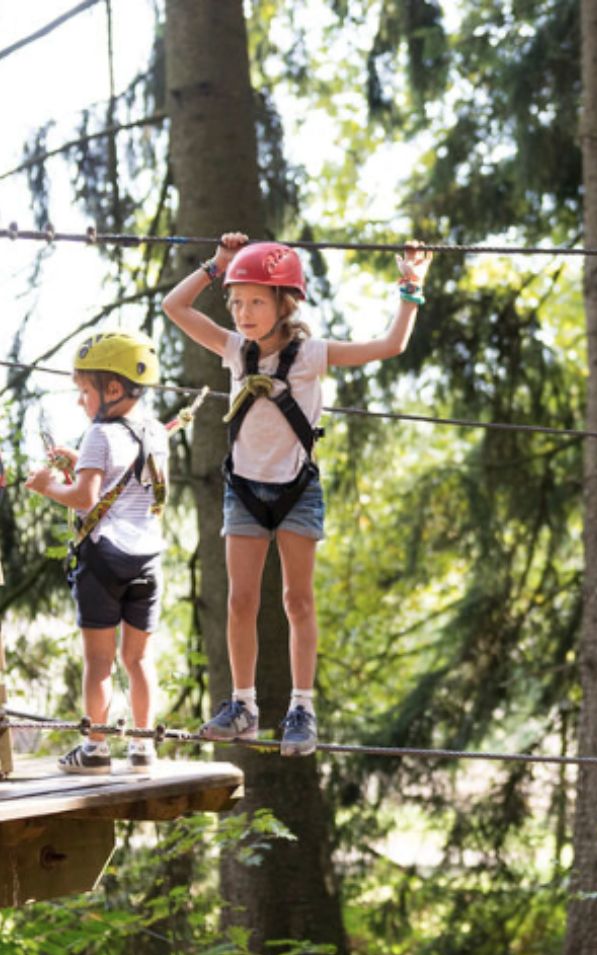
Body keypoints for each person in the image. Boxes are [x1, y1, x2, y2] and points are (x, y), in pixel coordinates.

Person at [162, 233, 432, 755]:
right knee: (240, 601)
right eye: (237, 302)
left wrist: (410, 287)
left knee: (297, 600)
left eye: (256, 301)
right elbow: (175, 306)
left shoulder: (310, 354)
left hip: (296, 493)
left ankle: (301, 707)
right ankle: (243, 704)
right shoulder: (233, 348)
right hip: (244, 491)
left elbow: (389, 346)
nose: (243, 312)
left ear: (285, 304)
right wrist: (216, 266)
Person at [24, 331, 170, 774]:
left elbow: (85, 497)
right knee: (138, 659)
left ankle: (95, 749)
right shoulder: (155, 432)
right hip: (147, 558)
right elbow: (138, 488)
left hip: (104, 560)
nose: (79, 401)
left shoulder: (99, 433)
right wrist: (83, 460)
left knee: (100, 662)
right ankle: (144, 746)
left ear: (112, 390)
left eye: (84, 390)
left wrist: (48, 485)